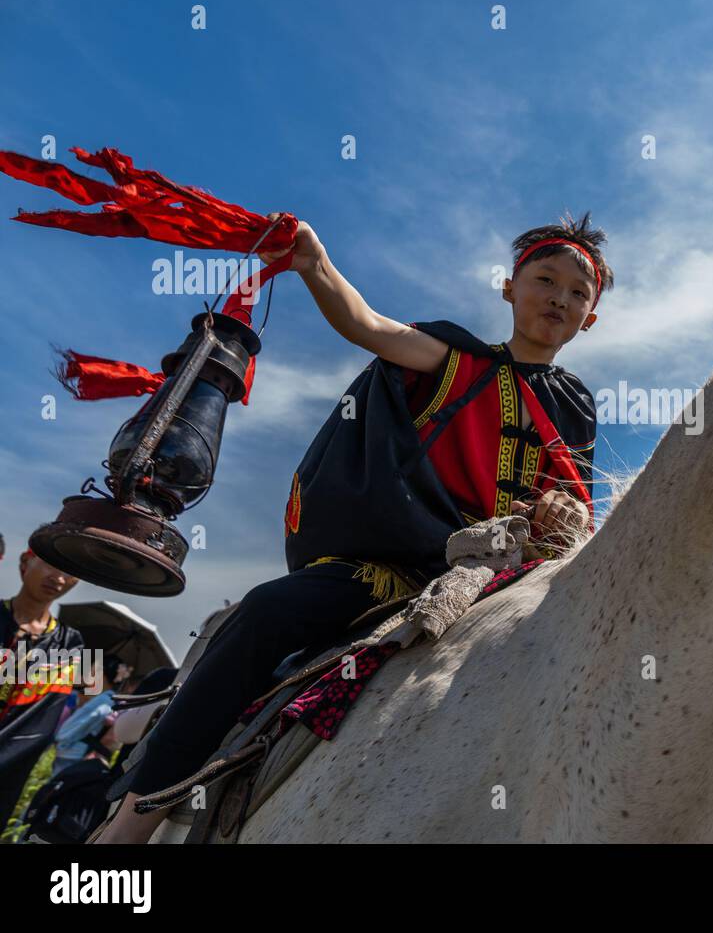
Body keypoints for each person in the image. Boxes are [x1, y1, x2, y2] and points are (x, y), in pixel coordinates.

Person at [95, 210, 613, 843]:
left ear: (590, 318)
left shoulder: (578, 406)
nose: (559, 297)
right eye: (545, 279)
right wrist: (316, 266)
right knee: (265, 613)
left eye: (578, 293)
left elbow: (571, 503)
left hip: (515, 577)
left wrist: (566, 514)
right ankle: (135, 822)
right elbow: (369, 326)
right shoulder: (455, 359)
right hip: (405, 567)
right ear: (509, 286)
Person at [0, 548, 84, 836]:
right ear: (26, 561)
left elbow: (37, 723)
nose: (59, 579)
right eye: (53, 563)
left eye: (70, 572)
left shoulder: (68, 644)